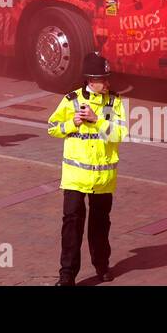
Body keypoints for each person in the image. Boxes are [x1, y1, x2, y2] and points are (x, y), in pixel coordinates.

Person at [47, 53, 126, 285]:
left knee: (100, 227)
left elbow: (118, 134)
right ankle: (66, 276)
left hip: (103, 179)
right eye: (103, 79)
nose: (107, 83)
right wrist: (73, 123)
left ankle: (102, 267)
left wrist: (97, 120)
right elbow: (52, 128)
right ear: (91, 80)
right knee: (71, 227)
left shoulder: (113, 102)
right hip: (75, 178)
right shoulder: (71, 101)